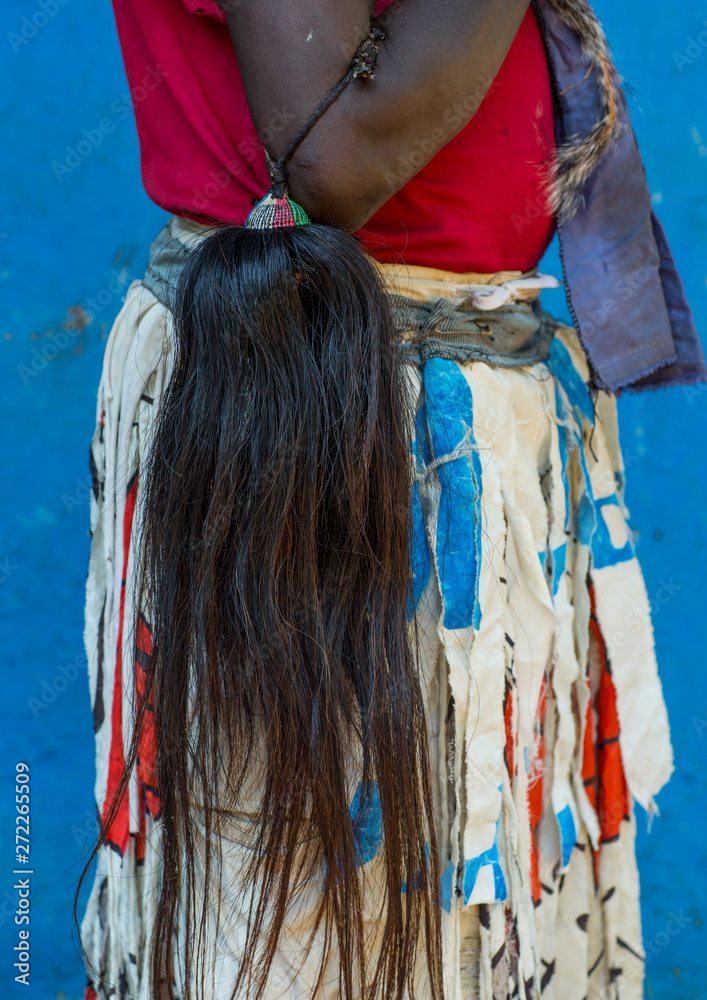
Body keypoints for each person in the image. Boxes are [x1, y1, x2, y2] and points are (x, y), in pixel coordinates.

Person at [75, 2, 706, 999]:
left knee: (457, 939)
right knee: (309, 930)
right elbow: (336, 151)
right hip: (330, 405)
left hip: (438, 413)